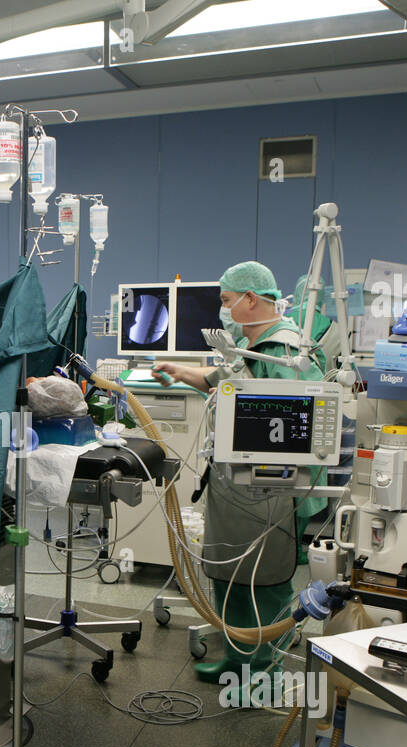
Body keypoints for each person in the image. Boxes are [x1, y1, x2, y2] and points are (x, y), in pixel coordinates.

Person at [154, 261, 327, 706]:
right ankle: (236, 660)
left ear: (251, 299)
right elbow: (218, 383)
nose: (223, 309)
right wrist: (177, 371)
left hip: (270, 492)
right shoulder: (251, 349)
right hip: (234, 486)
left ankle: (264, 675)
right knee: (228, 574)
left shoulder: (286, 354)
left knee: (263, 582)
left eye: (227, 301)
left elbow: (286, 426)